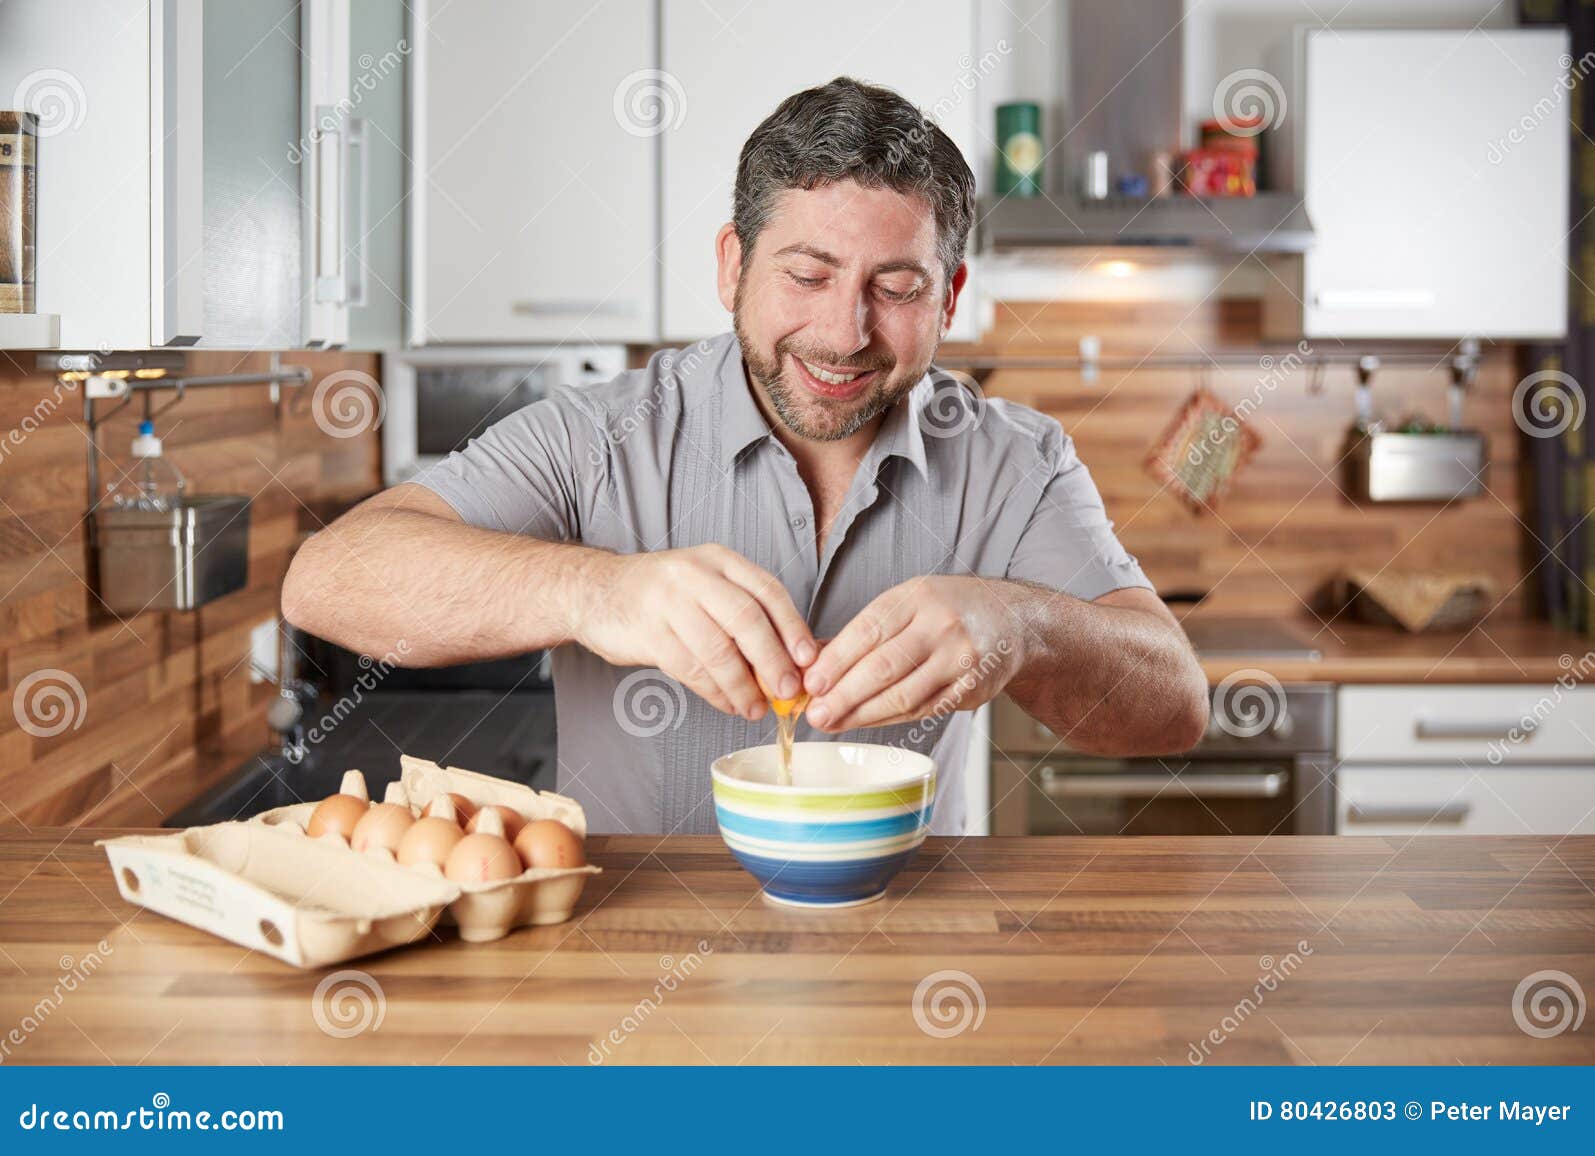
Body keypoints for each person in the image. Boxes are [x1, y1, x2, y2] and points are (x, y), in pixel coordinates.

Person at [283, 76, 1208, 836]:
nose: (845, 334)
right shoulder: (599, 436)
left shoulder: (1017, 460)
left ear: (950, 295)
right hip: (628, 968)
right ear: (733, 265)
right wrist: (596, 592)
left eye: (896, 287)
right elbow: (327, 580)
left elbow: (1176, 705)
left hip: (912, 971)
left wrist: (1023, 630)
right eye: (806, 276)